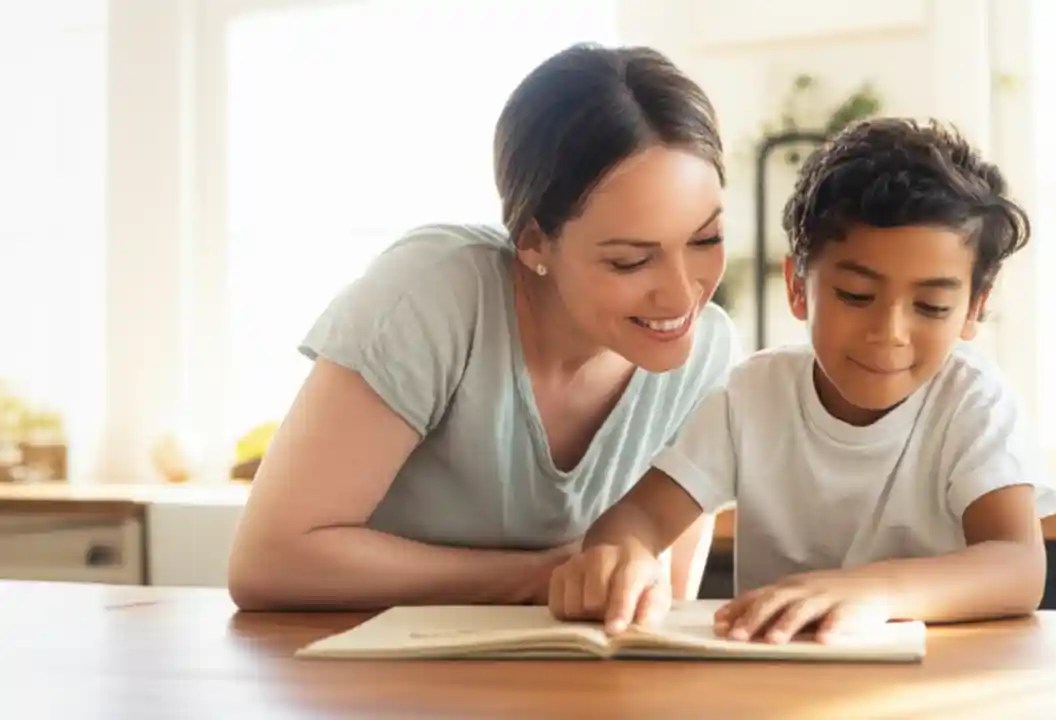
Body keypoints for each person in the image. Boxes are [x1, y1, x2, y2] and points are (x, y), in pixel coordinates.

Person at [228, 43, 739, 610]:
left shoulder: (708, 354)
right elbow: (270, 561)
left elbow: (662, 595)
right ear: (534, 242)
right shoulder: (435, 296)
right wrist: (544, 577)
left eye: (705, 240)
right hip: (360, 677)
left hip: (564, 688)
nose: (682, 291)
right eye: (629, 261)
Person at [548, 118, 1056, 642]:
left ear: (975, 308)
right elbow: (634, 519)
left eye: (931, 306)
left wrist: (875, 592)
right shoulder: (752, 396)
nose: (889, 334)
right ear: (798, 286)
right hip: (776, 675)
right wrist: (622, 558)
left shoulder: (973, 402)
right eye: (856, 297)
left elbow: (1019, 566)